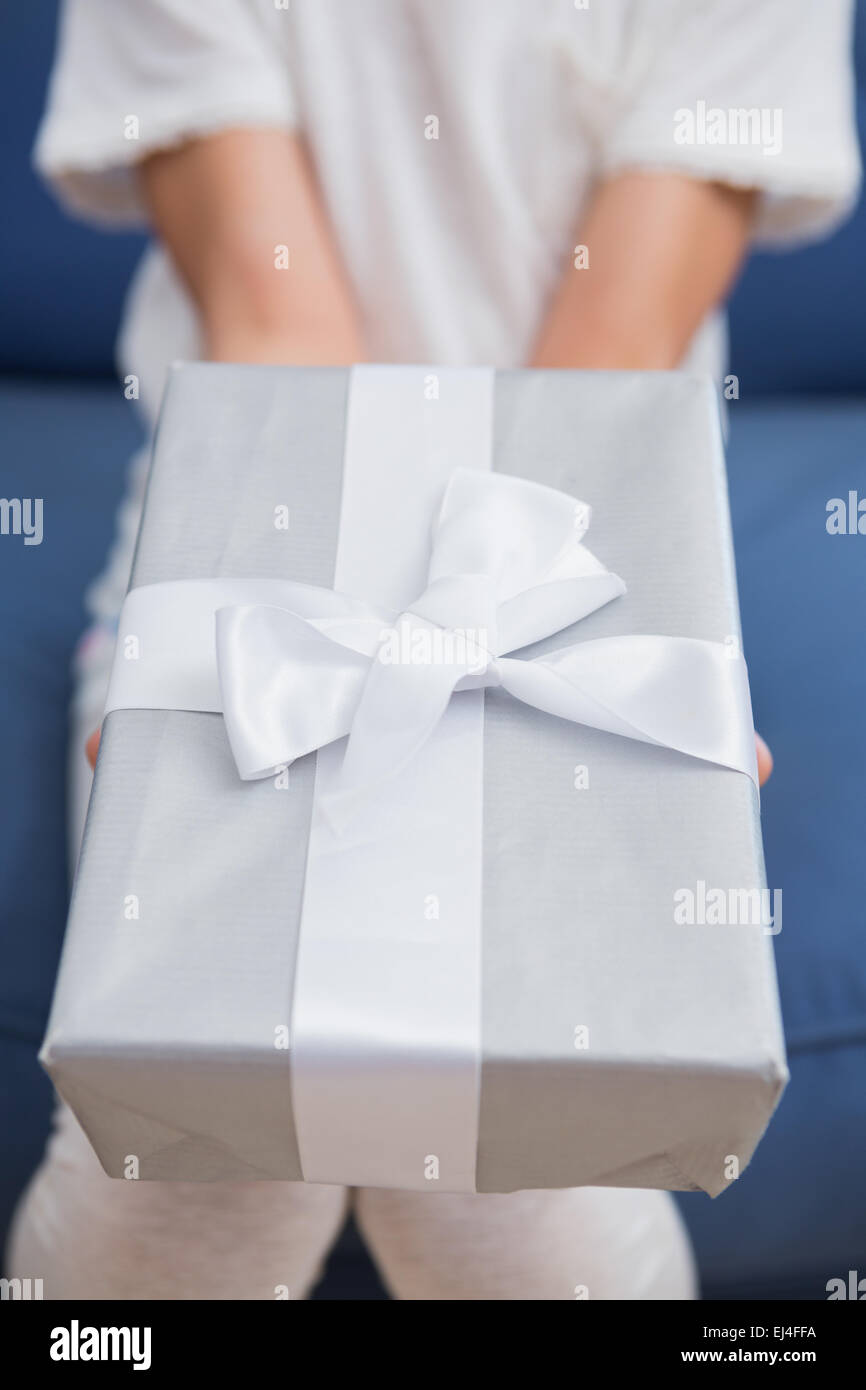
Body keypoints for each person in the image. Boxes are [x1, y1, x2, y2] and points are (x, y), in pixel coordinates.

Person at [7, 0, 859, 1300]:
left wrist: (580, 726)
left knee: (512, 1161)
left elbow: (607, 366)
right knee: (223, 1113)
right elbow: (275, 332)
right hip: (259, 578)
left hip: (570, 583)